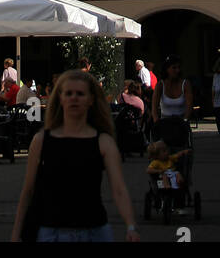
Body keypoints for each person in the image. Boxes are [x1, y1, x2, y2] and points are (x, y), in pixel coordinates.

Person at [10, 70, 140, 243]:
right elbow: (28, 191)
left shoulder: (103, 142)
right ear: (60, 98)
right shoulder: (41, 141)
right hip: (51, 231)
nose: (74, 98)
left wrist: (131, 227)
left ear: (91, 100)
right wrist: (15, 234)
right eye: (69, 93)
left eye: (80, 94)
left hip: (94, 231)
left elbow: (119, 189)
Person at [151, 56, 193, 147]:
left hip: (181, 123)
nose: (177, 70)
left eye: (178, 67)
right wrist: (157, 123)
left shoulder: (185, 84)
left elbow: (189, 106)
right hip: (165, 123)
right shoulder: (160, 85)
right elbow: (154, 108)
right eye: (174, 68)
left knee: (184, 150)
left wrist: (185, 120)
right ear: (167, 69)